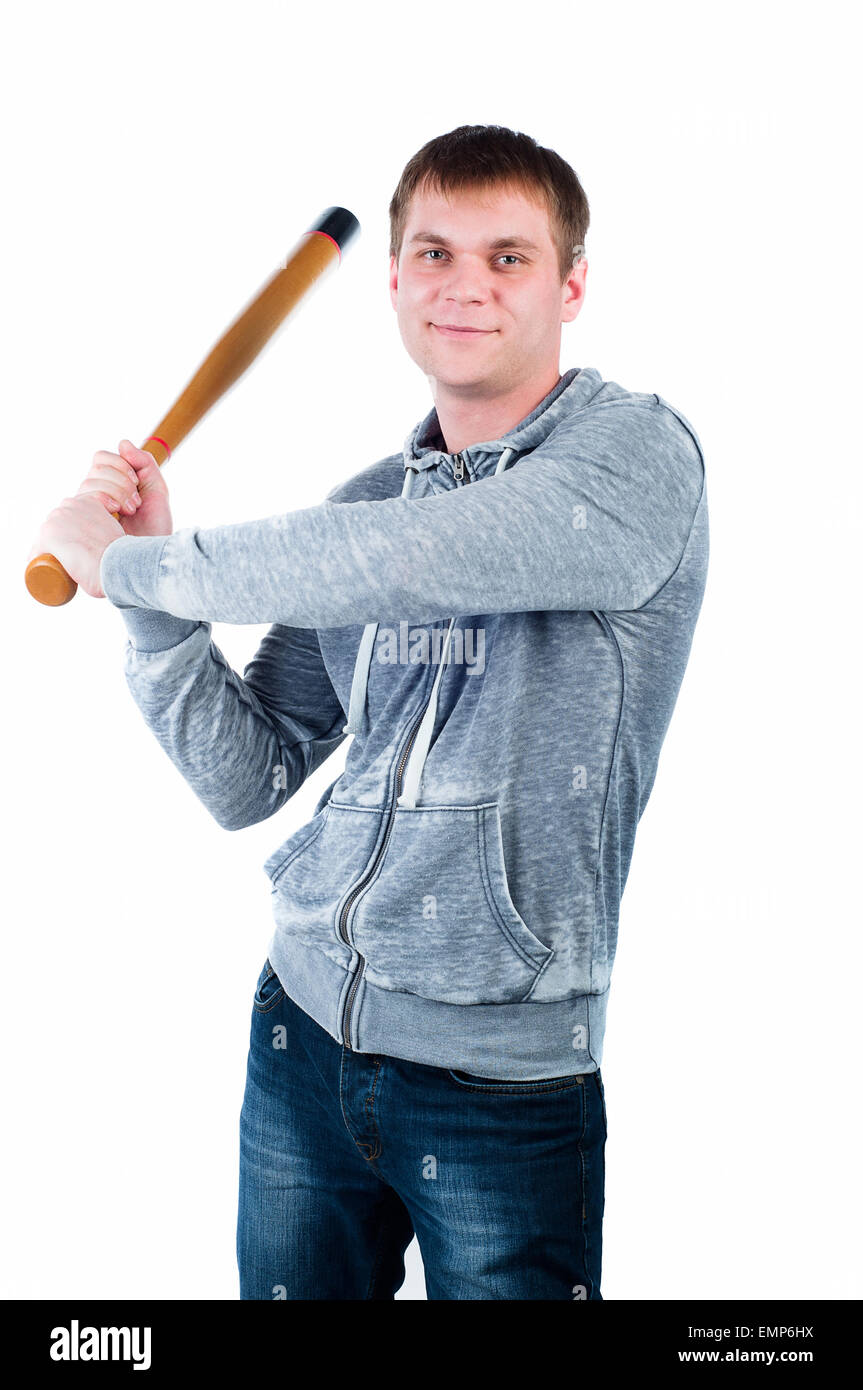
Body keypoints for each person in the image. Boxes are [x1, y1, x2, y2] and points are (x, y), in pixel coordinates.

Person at [28, 124, 709, 1300]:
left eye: (509, 257)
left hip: (501, 1083)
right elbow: (247, 776)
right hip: (300, 1037)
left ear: (572, 284)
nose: (465, 285)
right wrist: (150, 602)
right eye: (435, 252)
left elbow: (403, 562)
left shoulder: (631, 461)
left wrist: (127, 568)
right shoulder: (370, 506)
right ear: (391, 280)